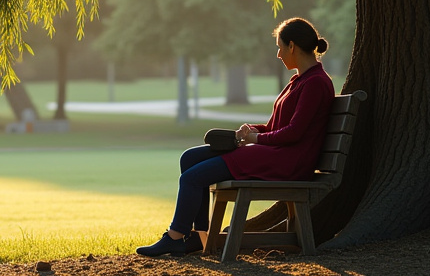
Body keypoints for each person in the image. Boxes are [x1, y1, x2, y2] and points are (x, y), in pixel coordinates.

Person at [136, 17, 336, 257]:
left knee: (192, 178)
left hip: (289, 161)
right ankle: (198, 237)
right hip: (276, 153)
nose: (278, 54)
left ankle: (175, 237)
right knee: (189, 158)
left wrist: (255, 140)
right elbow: (275, 127)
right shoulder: (299, 81)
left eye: (280, 47)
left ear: (292, 46)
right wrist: (252, 130)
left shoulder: (315, 83)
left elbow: (294, 133)